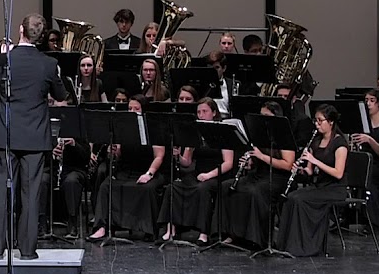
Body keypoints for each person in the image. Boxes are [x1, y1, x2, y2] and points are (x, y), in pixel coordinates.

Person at [0, 12, 66, 259]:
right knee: (31, 195)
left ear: (20, 30)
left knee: (1, 191)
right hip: (34, 136)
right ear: (41, 37)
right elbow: (61, 95)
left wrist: (1, 60)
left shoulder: (4, 59)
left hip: (7, 133)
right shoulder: (49, 63)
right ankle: (28, 250)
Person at [88, 95, 165, 241]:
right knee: (106, 186)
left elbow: (159, 156)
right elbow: (118, 155)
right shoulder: (122, 127)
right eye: (130, 109)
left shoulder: (154, 127)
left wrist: (149, 174)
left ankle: (148, 230)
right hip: (126, 169)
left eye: (136, 109)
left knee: (147, 189)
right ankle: (102, 227)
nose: (132, 112)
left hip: (148, 170)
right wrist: (113, 152)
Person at [275, 104, 348, 257]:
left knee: (300, 200)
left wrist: (315, 161)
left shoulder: (340, 144)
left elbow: (338, 173)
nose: (317, 124)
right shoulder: (316, 141)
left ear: (331, 122)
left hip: (334, 189)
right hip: (319, 186)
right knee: (291, 197)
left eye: (320, 121)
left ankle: (302, 247)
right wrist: (300, 170)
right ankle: (285, 245)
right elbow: (310, 171)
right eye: (315, 120)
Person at [158, 98, 233, 244]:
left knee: (202, 189)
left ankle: (203, 233)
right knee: (174, 187)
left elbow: (228, 163)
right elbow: (187, 162)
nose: (201, 115)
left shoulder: (222, 131)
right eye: (199, 112)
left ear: (214, 113)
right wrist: (177, 156)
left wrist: (209, 175)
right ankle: (171, 229)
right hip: (199, 173)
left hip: (217, 174)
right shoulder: (195, 132)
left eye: (205, 111)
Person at [223, 102, 297, 248]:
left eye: (266, 116)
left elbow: (288, 165)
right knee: (227, 187)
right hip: (259, 174)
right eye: (261, 115)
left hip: (278, 178)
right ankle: (233, 234)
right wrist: (249, 162)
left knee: (255, 192)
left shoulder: (284, 135)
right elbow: (256, 159)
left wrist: (261, 156)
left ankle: (256, 239)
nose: (262, 119)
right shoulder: (258, 133)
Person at [350, 88, 379, 227]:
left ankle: (373, 221)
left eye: (372, 101)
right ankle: (347, 216)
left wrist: (370, 140)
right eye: (366, 100)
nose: (368, 104)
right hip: (366, 163)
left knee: (369, 176)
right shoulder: (362, 123)